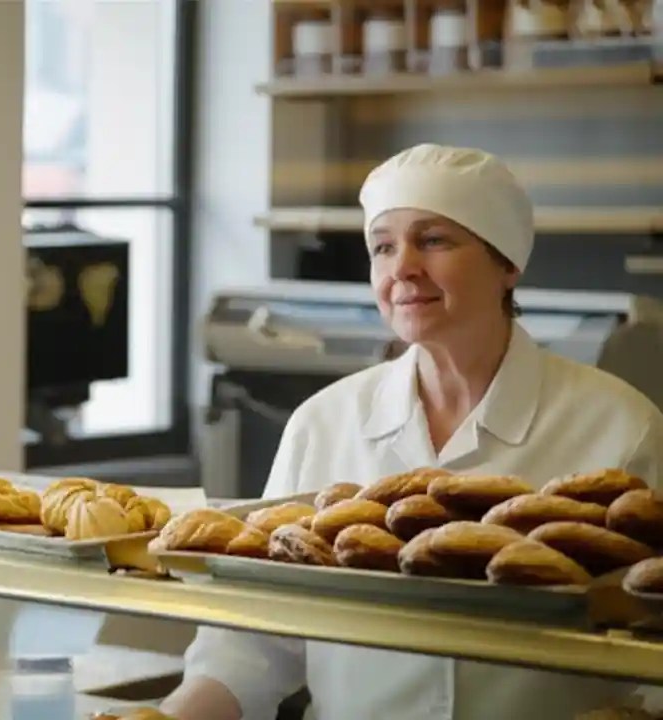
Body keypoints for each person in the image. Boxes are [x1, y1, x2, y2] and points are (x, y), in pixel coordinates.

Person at [159, 144, 663, 720]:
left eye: (434, 240)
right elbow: (250, 645)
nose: (402, 268)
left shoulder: (621, 426)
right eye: (383, 246)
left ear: (508, 264)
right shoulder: (323, 424)